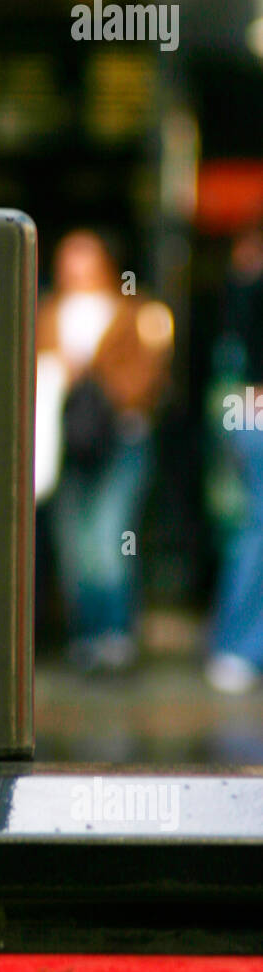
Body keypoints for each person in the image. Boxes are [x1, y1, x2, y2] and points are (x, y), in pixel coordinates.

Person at [36, 230, 173, 670]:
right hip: (65, 443)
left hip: (120, 440)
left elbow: (152, 373)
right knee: (74, 542)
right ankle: (86, 633)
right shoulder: (46, 312)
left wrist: (106, 392)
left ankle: (115, 631)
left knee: (110, 537)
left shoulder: (135, 310)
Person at [205, 224, 263, 693]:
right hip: (252, 410)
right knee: (254, 530)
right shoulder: (244, 290)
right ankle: (238, 647)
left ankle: (239, 647)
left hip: (247, 410)